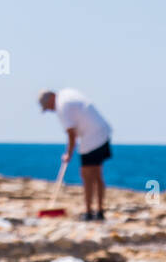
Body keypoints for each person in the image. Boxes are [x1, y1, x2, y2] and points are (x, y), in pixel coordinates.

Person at [38, 88, 112, 221]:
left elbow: (71, 134)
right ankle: (99, 211)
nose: (50, 110)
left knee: (87, 175)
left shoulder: (62, 106)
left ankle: (89, 212)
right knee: (96, 174)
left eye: (48, 107)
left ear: (50, 99)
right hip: (102, 132)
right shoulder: (67, 94)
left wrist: (68, 154)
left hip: (91, 138)